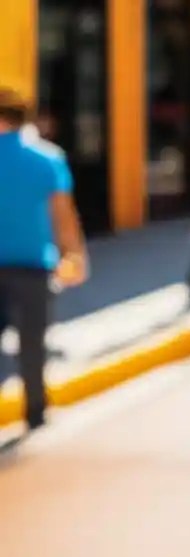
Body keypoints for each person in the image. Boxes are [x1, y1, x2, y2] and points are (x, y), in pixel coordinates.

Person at [0, 84, 88, 432]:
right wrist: (75, 255)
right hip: (34, 266)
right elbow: (63, 215)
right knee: (32, 344)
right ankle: (35, 411)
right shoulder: (47, 158)